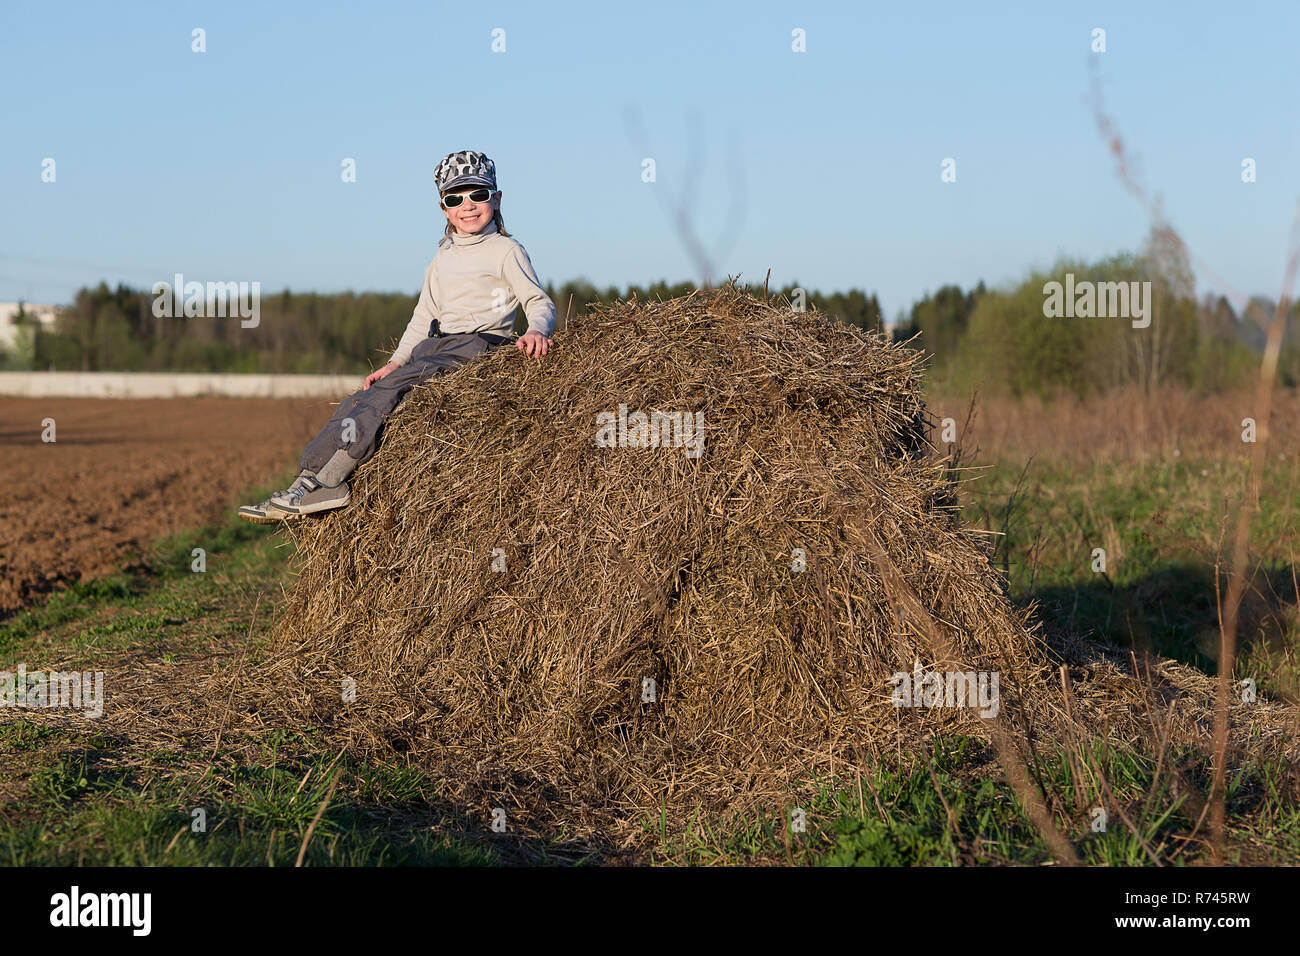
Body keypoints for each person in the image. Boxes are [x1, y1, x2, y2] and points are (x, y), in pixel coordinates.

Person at [238, 149, 554, 524]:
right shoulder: (444, 255)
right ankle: (306, 480)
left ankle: (330, 481)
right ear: (444, 208)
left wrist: (536, 329)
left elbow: (538, 300)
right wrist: (397, 361)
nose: (467, 206)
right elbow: (423, 316)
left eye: (478, 195)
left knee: (387, 395)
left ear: (496, 198)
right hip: (436, 347)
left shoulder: (506, 250)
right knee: (361, 398)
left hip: (479, 346)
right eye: (456, 199)